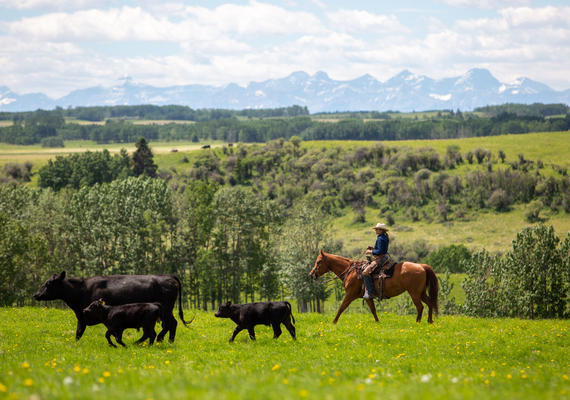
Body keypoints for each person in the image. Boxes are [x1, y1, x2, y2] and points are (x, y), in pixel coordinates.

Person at [363, 222, 390, 299]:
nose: (375, 230)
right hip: (384, 257)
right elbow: (380, 249)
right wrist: (373, 248)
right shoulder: (384, 237)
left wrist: (370, 251)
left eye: (377, 229)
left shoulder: (380, 238)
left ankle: (370, 293)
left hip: (380, 259)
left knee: (365, 272)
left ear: (381, 230)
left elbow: (380, 251)